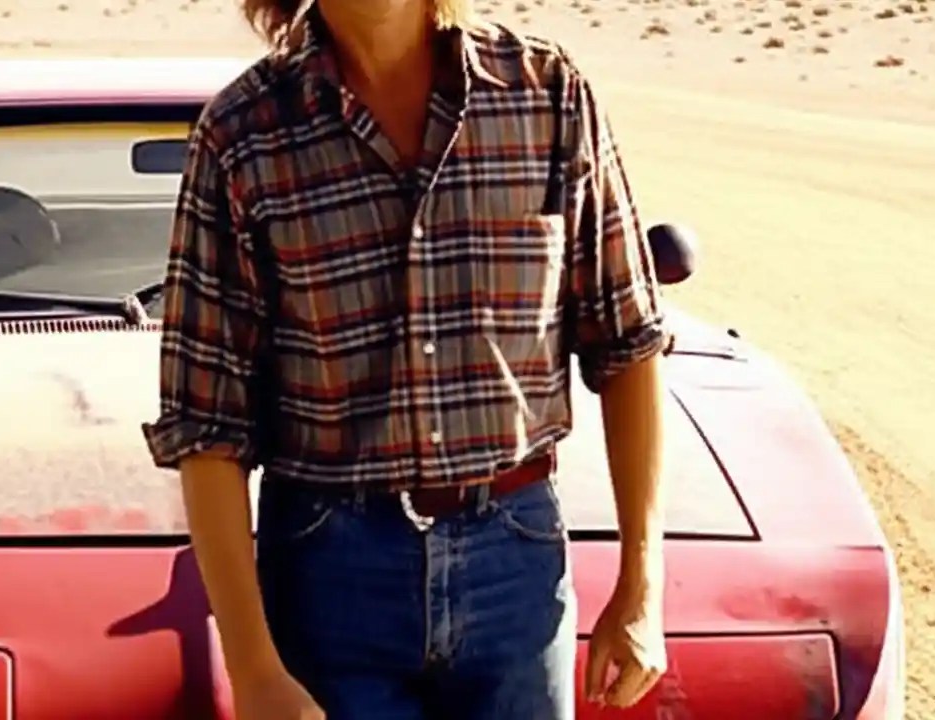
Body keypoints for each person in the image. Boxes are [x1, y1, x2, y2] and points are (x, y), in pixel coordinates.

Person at [145, 0, 669, 717]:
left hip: (516, 563)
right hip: (330, 575)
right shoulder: (242, 137)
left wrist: (642, 586)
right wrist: (254, 667)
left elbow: (628, 342)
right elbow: (206, 425)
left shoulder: (546, 92)